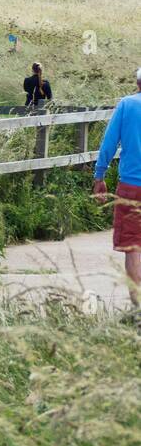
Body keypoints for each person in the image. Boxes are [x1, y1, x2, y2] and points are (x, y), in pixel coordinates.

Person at [93, 67, 141, 305]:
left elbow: (109, 143)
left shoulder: (127, 105)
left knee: (134, 246)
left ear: (138, 83)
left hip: (131, 186)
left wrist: (99, 175)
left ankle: (138, 307)